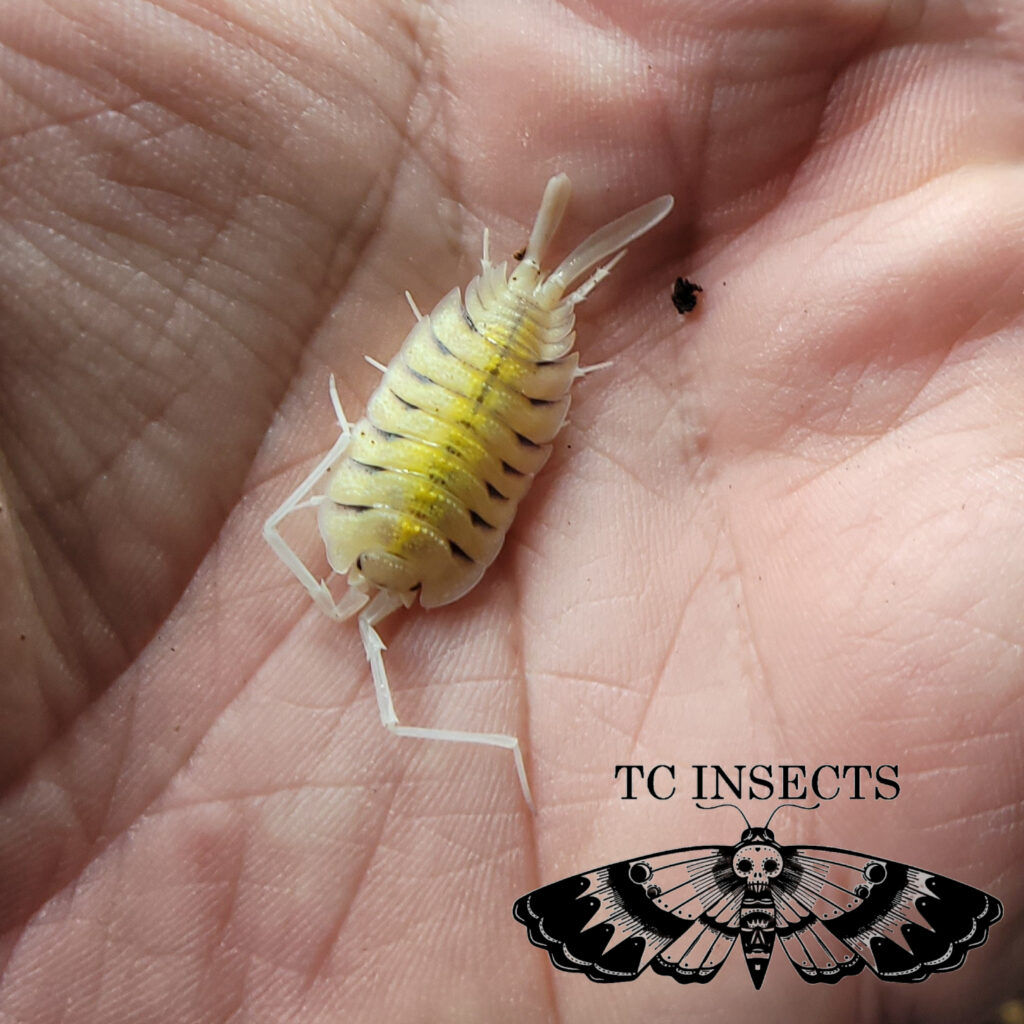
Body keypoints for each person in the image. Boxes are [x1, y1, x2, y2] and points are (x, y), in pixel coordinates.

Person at [1, 1, 1020, 1020]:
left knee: (498, 379)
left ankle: (551, 276)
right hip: (485, 377)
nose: (354, 583)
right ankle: (557, 279)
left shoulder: (397, 556)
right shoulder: (408, 558)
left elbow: (386, 480)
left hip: (474, 365)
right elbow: (390, 485)